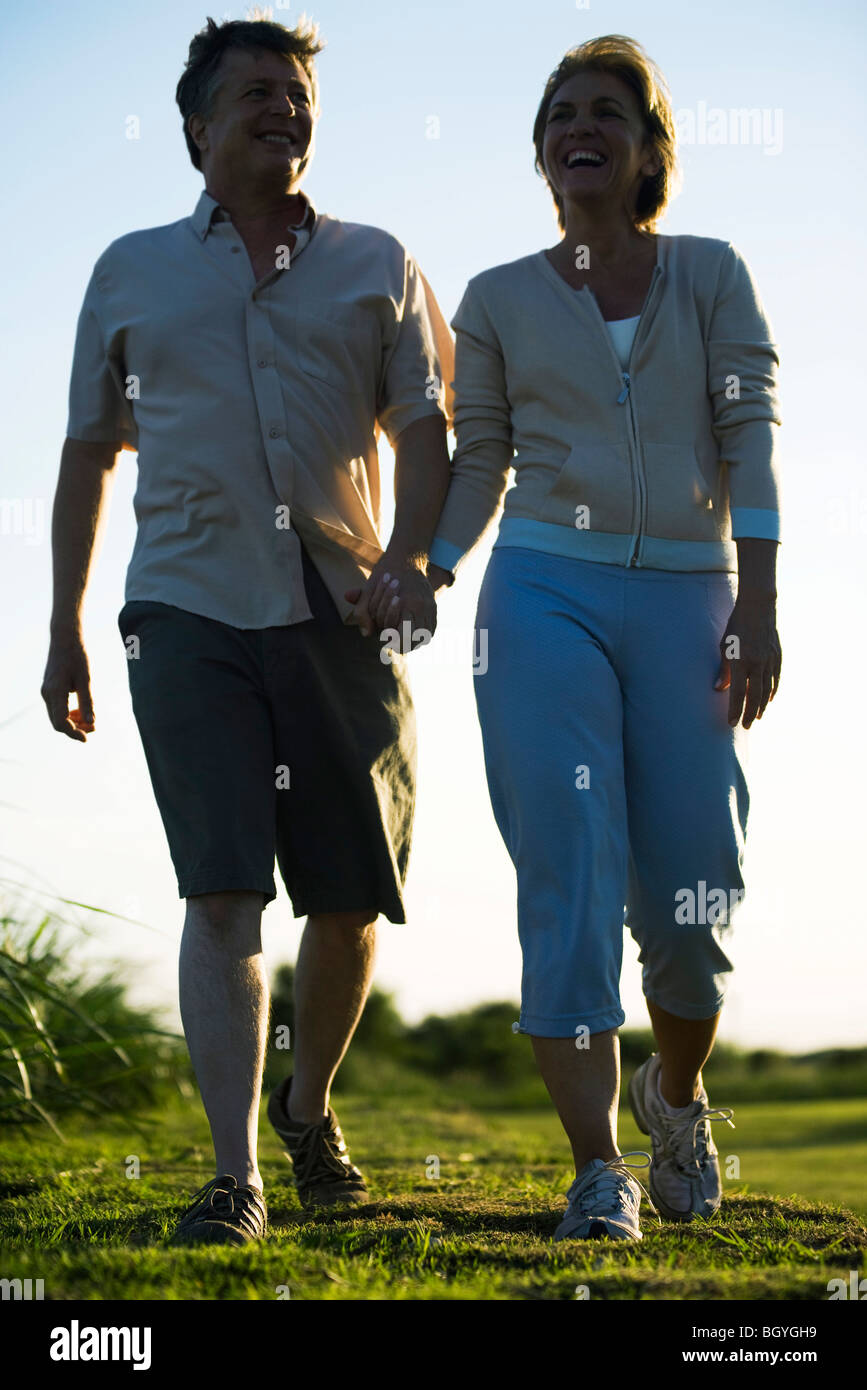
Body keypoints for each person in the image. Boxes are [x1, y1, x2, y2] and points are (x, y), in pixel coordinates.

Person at [41, 15, 453, 1247]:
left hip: (343, 607)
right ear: (198, 129)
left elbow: (427, 431)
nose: (285, 107)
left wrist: (415, 557)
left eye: (298, 91)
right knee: (221, 890)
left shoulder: (378, 259)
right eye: (257, 93)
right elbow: (85, 455)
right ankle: (236, 1177)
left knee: (350, 897)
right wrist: (63, 626)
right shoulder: (128, 270)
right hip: (184, 611)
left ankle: (306, 1103)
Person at [425, 34, 781, 1241]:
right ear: (542, 152)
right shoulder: (497, 299)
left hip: (691, 597)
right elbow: (481, 460)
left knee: (691, 904)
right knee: (567, 873)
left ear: (647, 151)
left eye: (608, 113)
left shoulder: (712, 273)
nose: (583, 127)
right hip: (541, 593)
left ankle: (674, 1098)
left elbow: (755, 443)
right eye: (562, 113)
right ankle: (598, 1172)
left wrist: (763, 603)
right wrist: (427, 566)